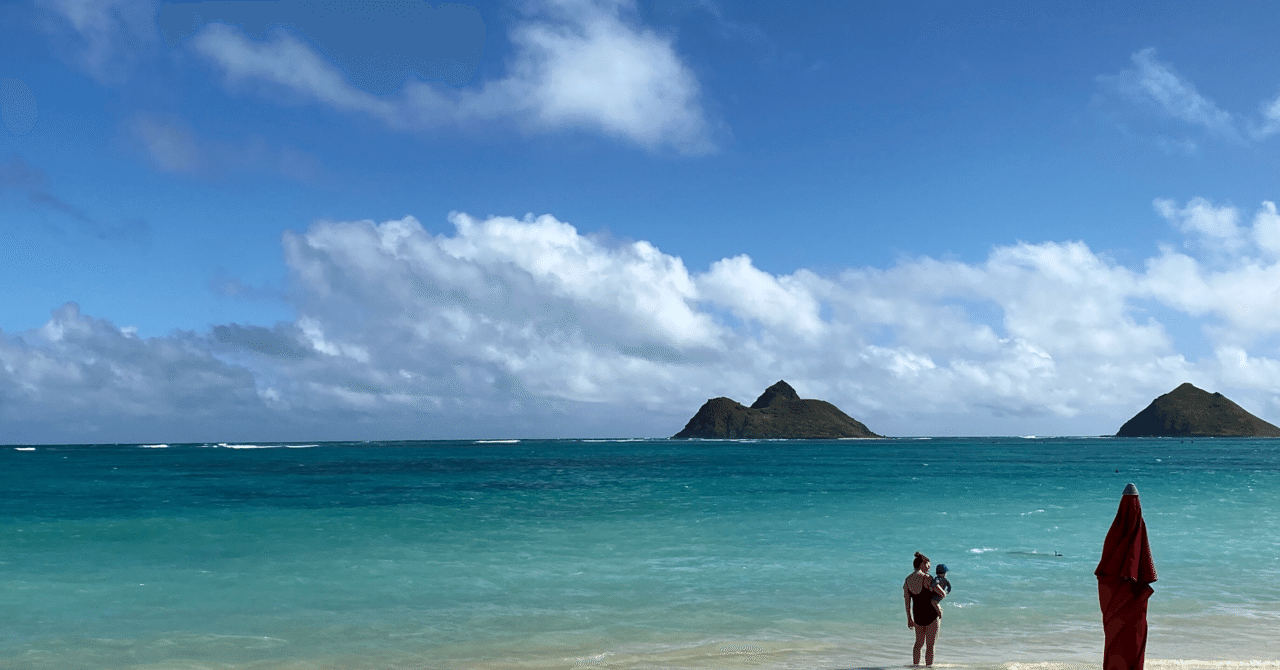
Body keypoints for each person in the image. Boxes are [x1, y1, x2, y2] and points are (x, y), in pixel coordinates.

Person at [903, 551, 946, 666]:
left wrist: (909, 619)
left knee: (918, 644)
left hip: (918, 616)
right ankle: (928, 668)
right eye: (927, 564)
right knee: (930, 646)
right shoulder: (927, 578)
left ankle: (915, 667)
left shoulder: (907, 581)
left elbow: (907, 602)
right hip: (931, 615)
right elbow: (942, 594)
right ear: (922, 564)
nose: (929, 566)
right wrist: (936, 604)